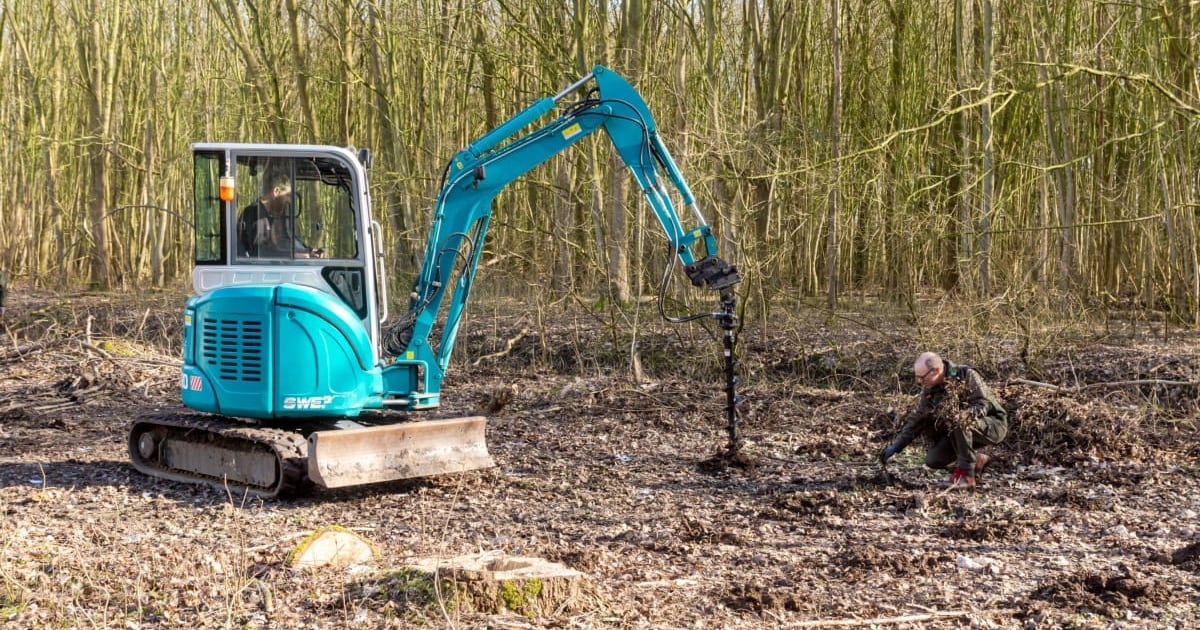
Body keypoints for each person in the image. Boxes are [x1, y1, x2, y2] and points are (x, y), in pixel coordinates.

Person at [879, 351, 1007, 489]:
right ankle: (976, 461)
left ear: (936, 371)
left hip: (993, 425)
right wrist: (896, 446)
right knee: (933, 460)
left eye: (922, 377)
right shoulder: (929, 389)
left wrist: (963, 416)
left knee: (958, 420)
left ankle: (966, 475)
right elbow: (918, 420)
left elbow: (983, 404)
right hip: (959, 432)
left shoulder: (966, 374)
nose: (920, 381)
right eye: (917, 377)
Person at [237, 174, 321, 259]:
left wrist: (307, 251)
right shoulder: (256, 214)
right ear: (276, 191)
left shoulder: (269, 215)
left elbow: (279, 245)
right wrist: (293, 256)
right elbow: (258, 253)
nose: (289, 201)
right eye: (287, 195)